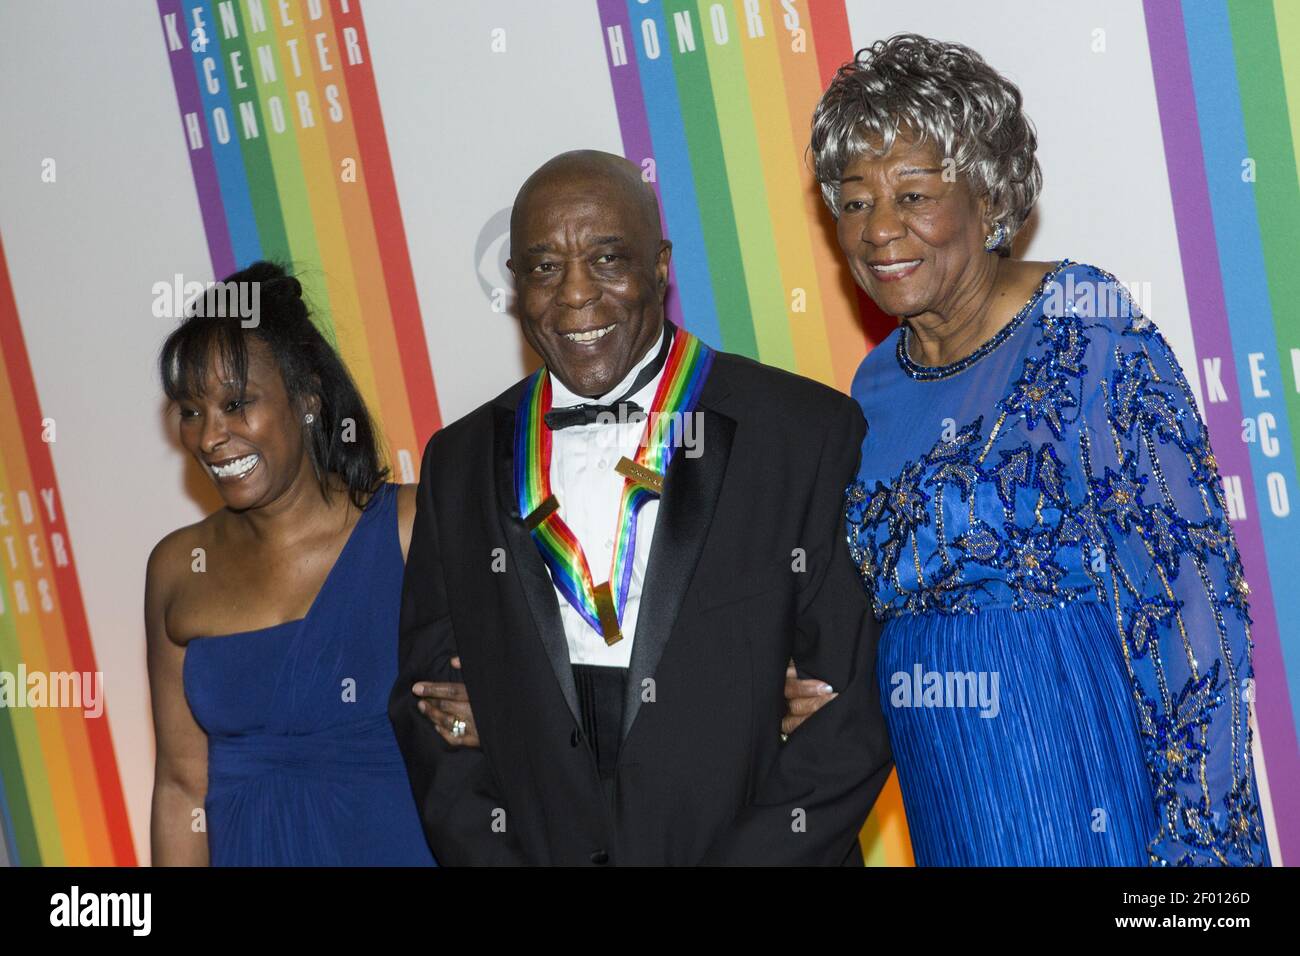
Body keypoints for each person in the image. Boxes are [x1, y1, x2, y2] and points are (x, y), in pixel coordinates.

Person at [785, 33, 1269, 865]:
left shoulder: (1087, 325)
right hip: (951, 816)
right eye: (855, 202)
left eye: (913, 193)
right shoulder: (871, 388)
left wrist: (1200, 862)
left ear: (990, 192)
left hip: (1098, 801)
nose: (880, 231)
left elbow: (1193, 604)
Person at [388, 149, 892, 865]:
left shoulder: (804, 433)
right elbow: (428, 714)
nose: (574, 296)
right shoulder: (457, 462)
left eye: (606, 260)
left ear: (661, 266)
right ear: (513, 285)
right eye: (542, 267)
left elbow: (848, 717)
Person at [146, 262, 443, 865]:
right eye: (191, 410)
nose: (209, 436)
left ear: (307, 396)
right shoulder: (178, 568)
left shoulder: (410, 529)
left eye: (236, 403)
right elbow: (180, 787)